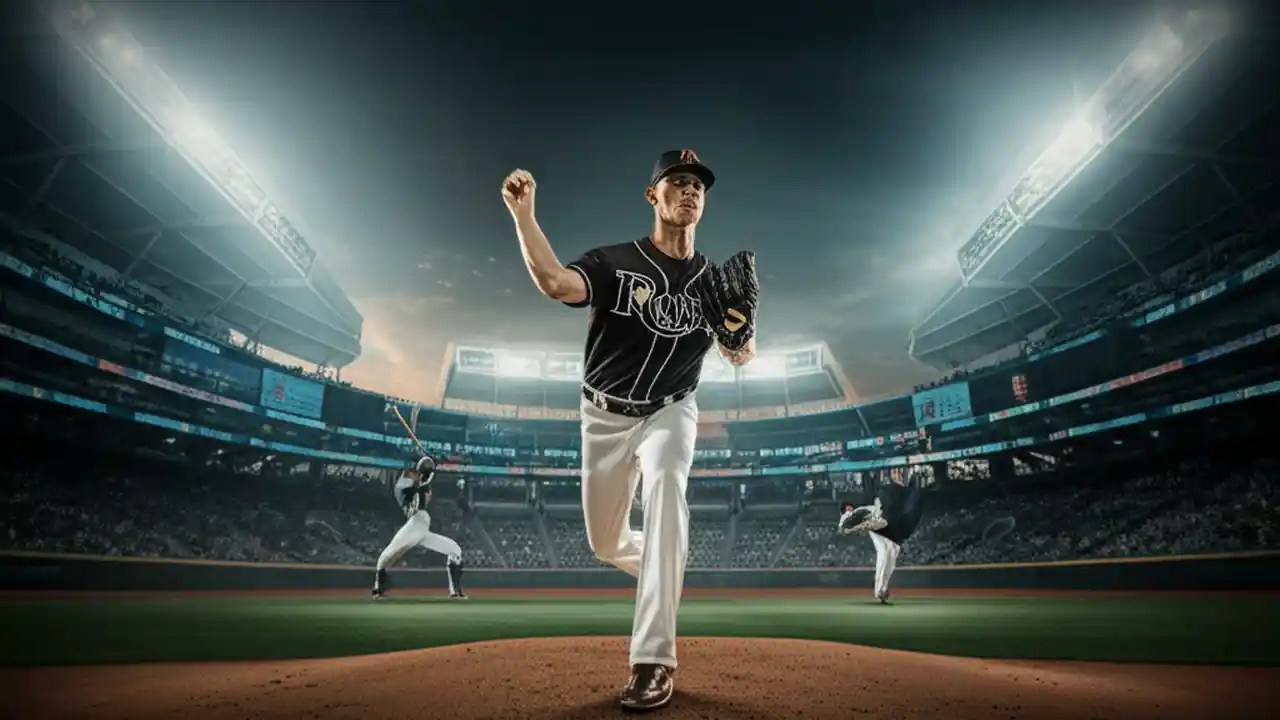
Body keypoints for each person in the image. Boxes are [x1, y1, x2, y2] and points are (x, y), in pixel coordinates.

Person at [502, 150, 756, 711]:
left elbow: (740, 354)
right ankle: (668, 569)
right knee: (606, 543)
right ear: (653, 196)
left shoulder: (714, 284)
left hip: (673, 409)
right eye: (678, 182)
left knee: (667, 486)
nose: (690, 191)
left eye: (698, 186)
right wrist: (525, 216)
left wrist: (740, 336)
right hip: (604, 415)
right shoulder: (616, 263)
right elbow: (553, 282)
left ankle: (652, 660)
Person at [372, 456, 466, 599]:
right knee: (388, 556)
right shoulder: (403, 489)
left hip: (422, 528)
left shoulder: (419, 485)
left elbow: (423, 486)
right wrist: (426, 469)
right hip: (414, 524)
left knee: (455, 550)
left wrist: (430, 468)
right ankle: (378, 589)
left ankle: (455, 591)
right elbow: (418, 488)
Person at [838, 482, 925, 604]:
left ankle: (882, 590)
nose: (849, 508)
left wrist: (853, 528)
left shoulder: (864, 509)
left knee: (892, 555)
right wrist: (850, 528)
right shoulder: (853, 513)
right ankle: (880, 590)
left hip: (885, 527)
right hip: (878, 526)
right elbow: (843, 526)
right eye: (847, 507)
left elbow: (846, 527)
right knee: (884, 555)